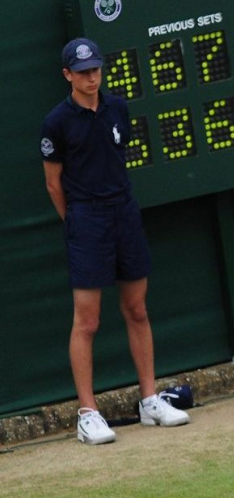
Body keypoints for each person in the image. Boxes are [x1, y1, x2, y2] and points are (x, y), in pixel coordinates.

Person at [40, 38, 189, 445]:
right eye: (83, 71)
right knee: (87, 321)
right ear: (67, 74)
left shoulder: (119, 108)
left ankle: (149, 400)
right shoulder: (56, 122)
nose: (92, 77)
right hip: (86, 217)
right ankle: (88, 414)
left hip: (123, 210)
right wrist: (77, 222)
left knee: (137, 308)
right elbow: (54, 185)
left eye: (96, 69)